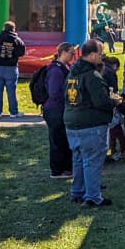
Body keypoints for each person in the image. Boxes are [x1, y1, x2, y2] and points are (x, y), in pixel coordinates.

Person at [63, 39, 118, 207]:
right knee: (93, 160)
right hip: (90, 123)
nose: (102, 57)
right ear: (93, 54)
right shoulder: (92, 75)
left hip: (72, 122)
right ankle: (93, 196)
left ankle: (77, 191)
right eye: (100, 54)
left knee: (79, 158)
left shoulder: (72, 72)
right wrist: (115, 102)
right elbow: (100, 101)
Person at [42, 43, 75, 178]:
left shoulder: (65, 67)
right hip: (55, 109)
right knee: (57, 140)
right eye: (72, 53)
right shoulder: (56, 70)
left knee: (63, 140)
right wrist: (69, 98)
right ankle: (57, 170)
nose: (73, 55)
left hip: (60, 108)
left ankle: (66, 168)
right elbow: (54, 92)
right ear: (64, 52)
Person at [0, 21, 26, 117]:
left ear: (4, 28)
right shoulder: (17, 39)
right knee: (11, 91)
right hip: (11, 68)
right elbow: (22, 52)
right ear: (14, 29)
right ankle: (13, 112)